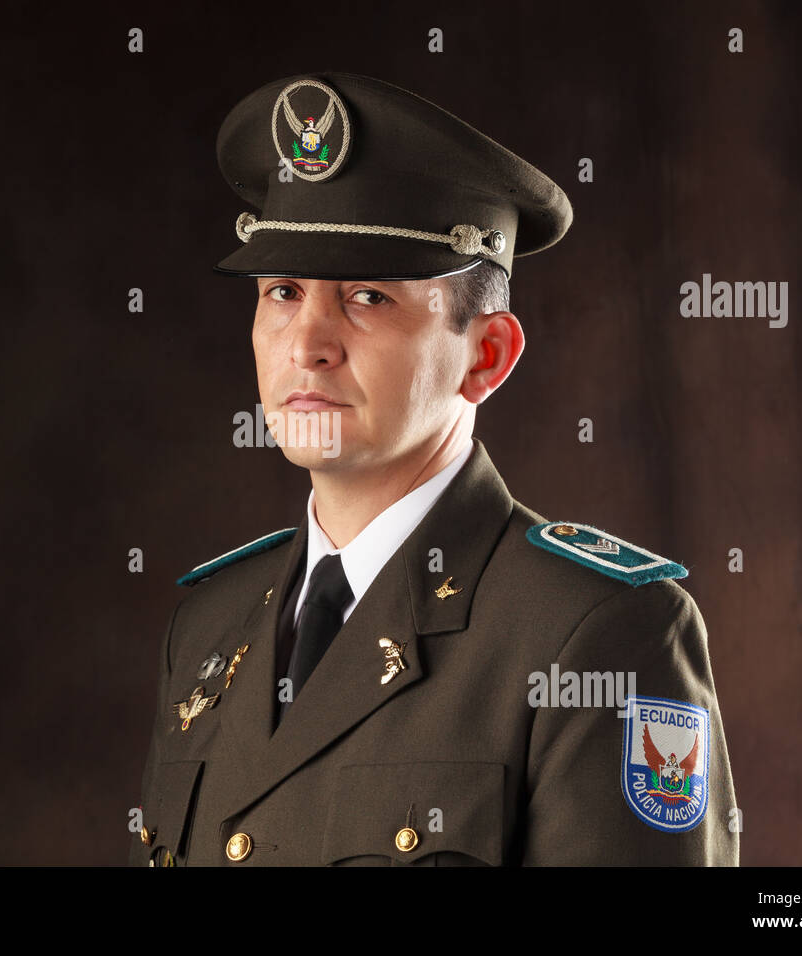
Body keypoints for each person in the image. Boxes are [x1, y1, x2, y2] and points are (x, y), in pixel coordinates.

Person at [128, 72, 739, 866]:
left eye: (368, 298)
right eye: (282, 290)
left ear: (485, 355)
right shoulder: (210, 625)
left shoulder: (596, 634)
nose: (306, 343)